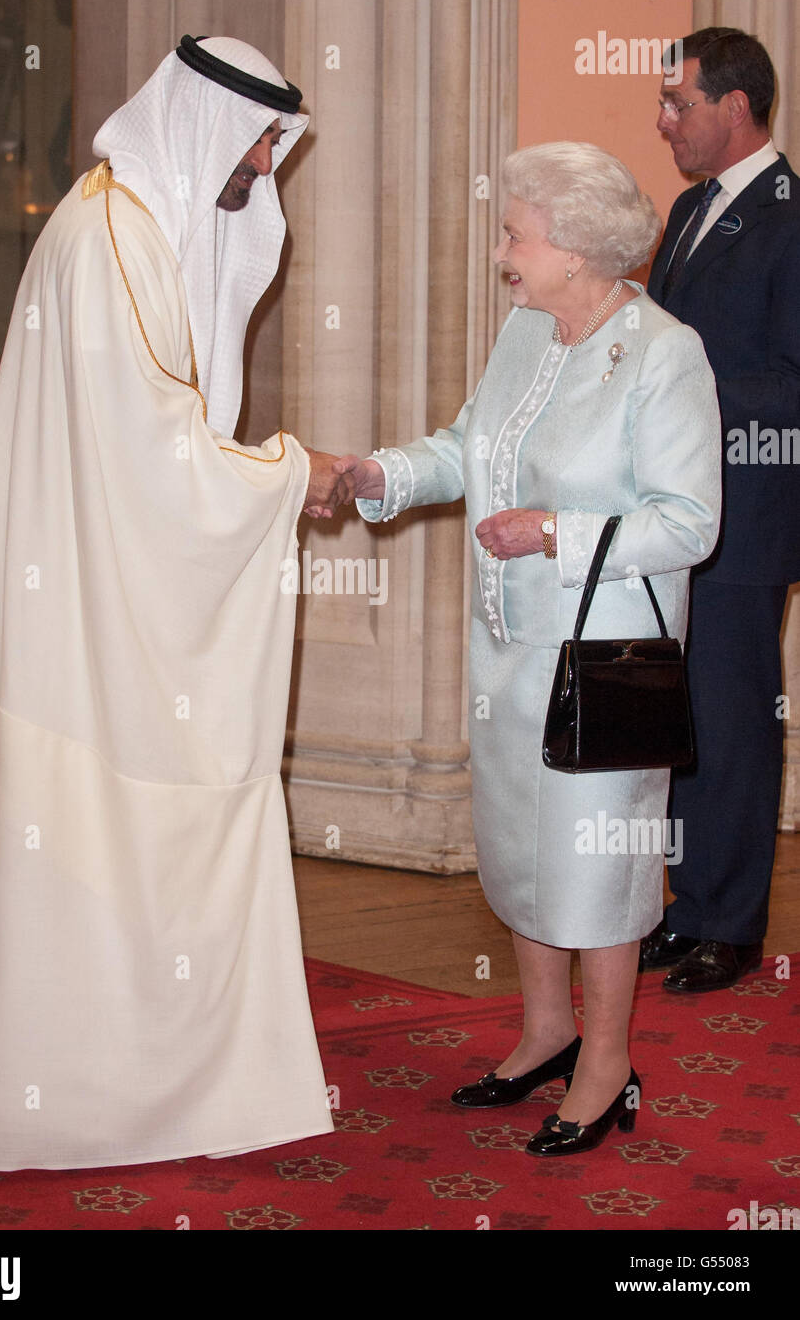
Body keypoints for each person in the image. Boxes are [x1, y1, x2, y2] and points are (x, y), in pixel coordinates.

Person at [0, 36, 351, 1170]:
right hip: (91, 611)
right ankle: (113, 1090)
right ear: (200, 124)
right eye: (257, 140)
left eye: (273, 142)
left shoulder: (118, 221)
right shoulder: (115, 239)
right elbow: (157, 453)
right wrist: (292, 471)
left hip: (80, 588)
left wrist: (260, 475)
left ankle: (85, 1062)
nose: (265, 164)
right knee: (119, 819)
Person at [333, 143, 721, 1155]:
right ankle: (547, 1032)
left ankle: (607, 1063)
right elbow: (471, 446)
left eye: (516, 235)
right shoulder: (524, 329)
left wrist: (555, 531)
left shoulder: (664, 352)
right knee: (519, 850)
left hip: (605, 663)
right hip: (509, 648)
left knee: (596, 869)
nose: (502, 252)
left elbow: (688, 524)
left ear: (577, 249)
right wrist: (382, 473)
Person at [640, 28, 800, 993]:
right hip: (676, 508)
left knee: (735, 720)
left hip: (748, 512)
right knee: (682, 715)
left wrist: (680, 388)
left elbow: (791, 384)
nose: (663, 121)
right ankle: (687, 906)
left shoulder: (790, 219)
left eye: (679, 103)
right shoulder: (689, 208)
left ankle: (732, 927)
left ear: (735, 107)